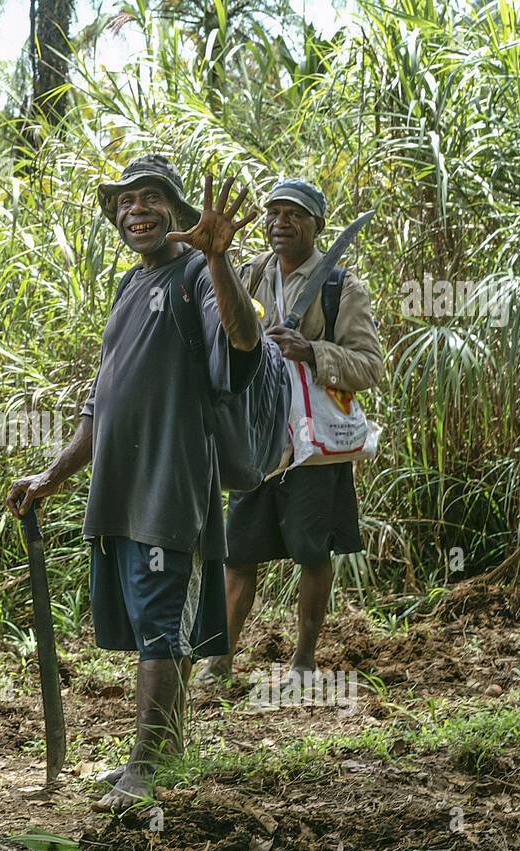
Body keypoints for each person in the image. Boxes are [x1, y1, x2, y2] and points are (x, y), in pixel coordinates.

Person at [6, 155, 265, 810]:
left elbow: (242, 343)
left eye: (150, 199)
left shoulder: (196, 276)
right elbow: (101, 407)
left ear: (177, 215)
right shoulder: (129, 287)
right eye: (125, 202)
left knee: (159, 629)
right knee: (154, 626)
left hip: (171, 486)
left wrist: (219, 260)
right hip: (119, 491)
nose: (135, 210)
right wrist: (52, 475)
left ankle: (146, 767)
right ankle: (165, 752)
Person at [196, 179, 384, 689]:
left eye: (294, 213)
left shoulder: (340, 287)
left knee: (312, 551)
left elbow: (370, 367)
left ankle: (303, 660)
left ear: (317, 225)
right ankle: (219, 661)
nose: (281, 221)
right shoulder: (251, 274)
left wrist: (312, 351)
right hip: (257, 442)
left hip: (314, 448)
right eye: (274, 212)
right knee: (239, 553)